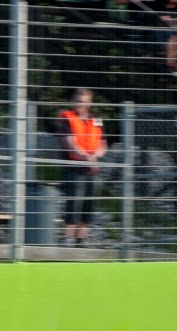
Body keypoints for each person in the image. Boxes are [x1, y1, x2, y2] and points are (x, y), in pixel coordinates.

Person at [57, 88, 107, 246]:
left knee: (89, 203)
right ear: (74, 101)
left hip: (92, 168)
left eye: (84, 101)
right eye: (79, 101)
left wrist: (96, 156)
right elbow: (69, 143)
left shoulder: (96, 119)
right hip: (74, 167)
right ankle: (67, 238)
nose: (81, 104)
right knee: (73, 201)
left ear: (90, 102)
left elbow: (103, 142)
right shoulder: (67, 118)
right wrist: (86, 157)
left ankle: (82, 238)